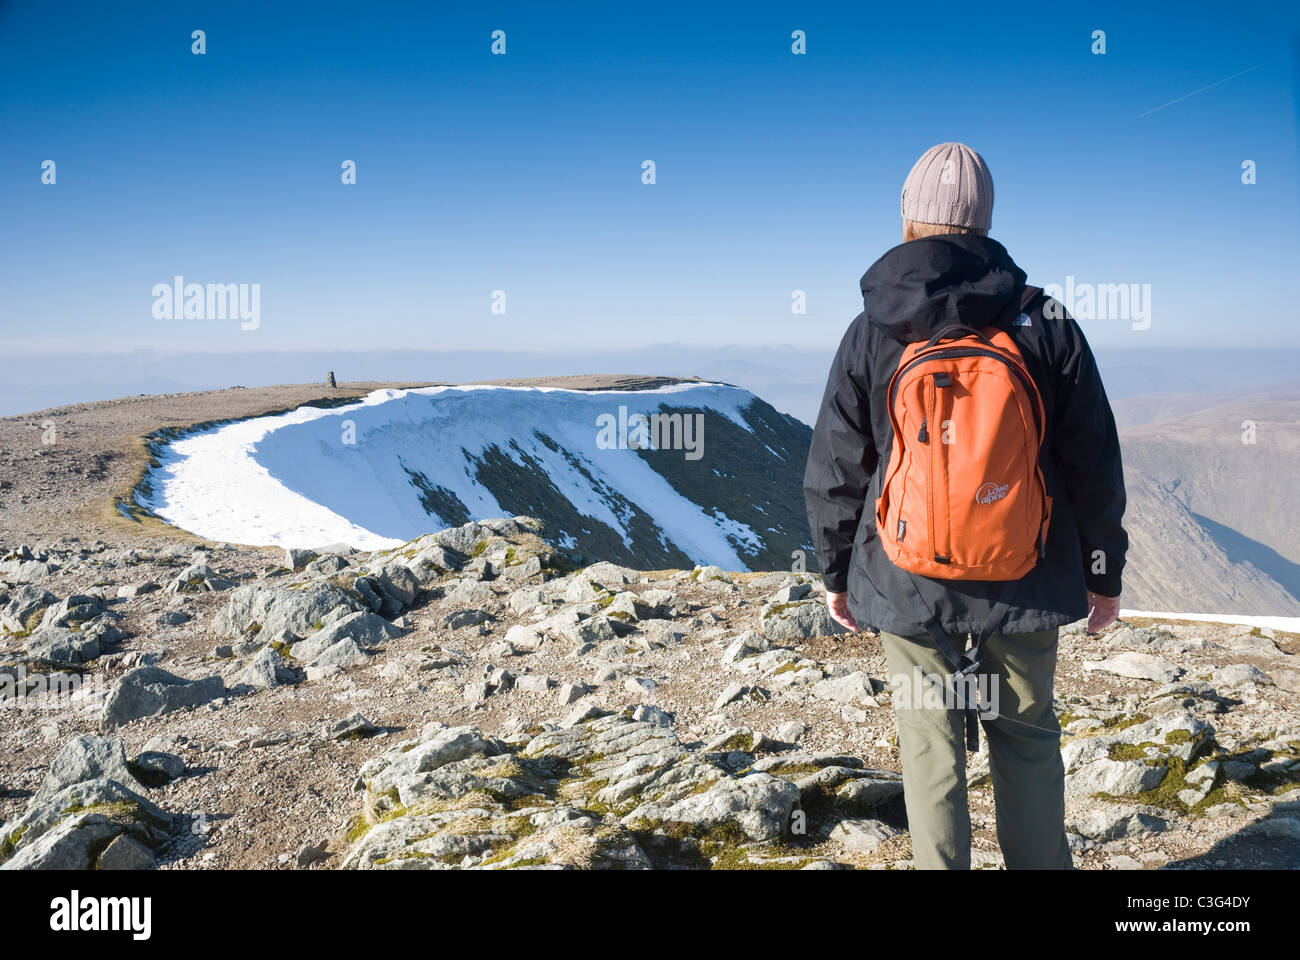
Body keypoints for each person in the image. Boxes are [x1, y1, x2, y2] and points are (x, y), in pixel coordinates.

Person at [803, 142, 1127, 869]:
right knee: (1027, 737)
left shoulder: (875, 327)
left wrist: (836, 573)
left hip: (906, 571)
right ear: (986, 221)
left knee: (929, 747)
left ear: (909, 219)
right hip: (1026, 568)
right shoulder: (1045, 319)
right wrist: (1102, 572)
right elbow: (1092, 462)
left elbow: (836, 466)